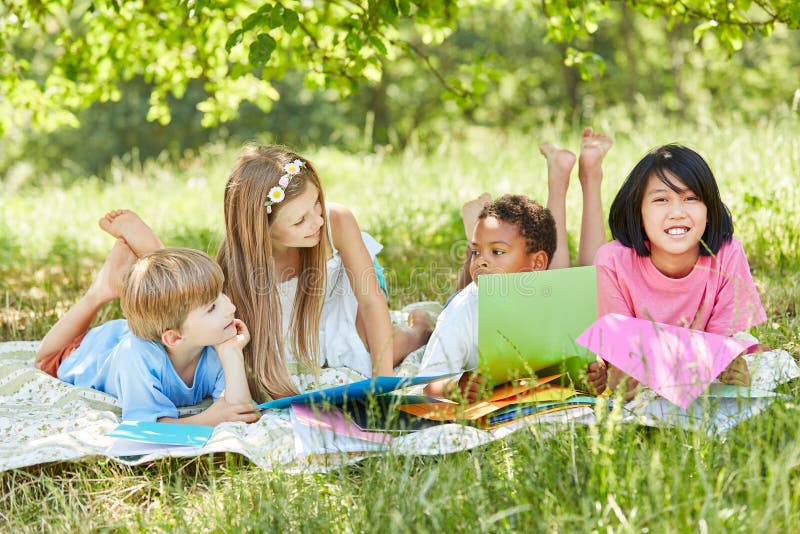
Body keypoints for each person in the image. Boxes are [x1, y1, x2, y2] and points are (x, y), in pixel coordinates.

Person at [216, 145, 433, 402]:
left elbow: (370, 301)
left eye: (316, 203)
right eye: (299, 221)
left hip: (346, 289)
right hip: (294, 317)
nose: (317, 221)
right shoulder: (237, 265)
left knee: (380, 347)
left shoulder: (335, 221)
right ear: (260, 229)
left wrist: (383, 384)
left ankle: (419, 328)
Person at [420, 128, 613, 401]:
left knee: (585, 281)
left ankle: (584, 174)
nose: (482, 261)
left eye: (496, 252)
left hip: (538, 283)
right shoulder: (463, 310)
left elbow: (586, 368)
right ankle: (477, 229)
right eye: (476, 253)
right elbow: (428, 383)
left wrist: (594, 377)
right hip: (472, 298)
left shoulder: (559, 297)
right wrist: (455, 388)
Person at [34, 211, 259, 425]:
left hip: (154, 328)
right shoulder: (137, 358)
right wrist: (209, 419)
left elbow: (241, 411)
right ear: (174, 338)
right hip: (94, 350)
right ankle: (101, 290)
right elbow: (144, 427)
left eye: (221, 295)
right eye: (212, 308)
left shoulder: (211, 346)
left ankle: (161, 267)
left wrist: (231, 353)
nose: (231, 307)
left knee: (178, 304)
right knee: (44, 362)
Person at [587, 144, 766, 398]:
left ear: (709, 210)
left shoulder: (727, 252)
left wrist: (730, 370)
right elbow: (624, 377)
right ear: (638, 211)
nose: (678, 213)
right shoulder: (612, 261)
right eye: (661, 200)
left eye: (691, 198)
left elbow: (719, 354)